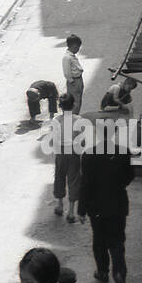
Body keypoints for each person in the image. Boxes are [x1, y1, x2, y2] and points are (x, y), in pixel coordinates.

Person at [78, 123, 136, 283]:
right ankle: (119, 273)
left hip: (97, 208)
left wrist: (81, 209)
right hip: (118, 205)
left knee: (99, 240)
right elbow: (130, 175)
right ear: (114, 134)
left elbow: (85, 185)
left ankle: (102, 271)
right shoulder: (124, 152)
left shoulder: (89, 156)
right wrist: (119, 186)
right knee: (118, 240)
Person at [50, 93, 83, 223]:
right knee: (74, 179)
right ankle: (71, 211)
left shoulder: (56, 121)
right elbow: (82, 139)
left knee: (59, 177)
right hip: (73, 152)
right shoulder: (78, 119)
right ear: (73, 104)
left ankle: (59, 204)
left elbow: (52, 140)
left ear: (60, 107)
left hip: (60, 153)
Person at [61, 34, 85, 113]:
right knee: (75, 102)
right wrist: (72, 82)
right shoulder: (67, 57)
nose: (78, 49)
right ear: (74, 46)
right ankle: (74, 117)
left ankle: (76, 115)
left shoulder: (72, 56)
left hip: (78, 79)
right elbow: (67, 73)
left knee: (78, 100)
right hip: (74, 81)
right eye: (77, 47)